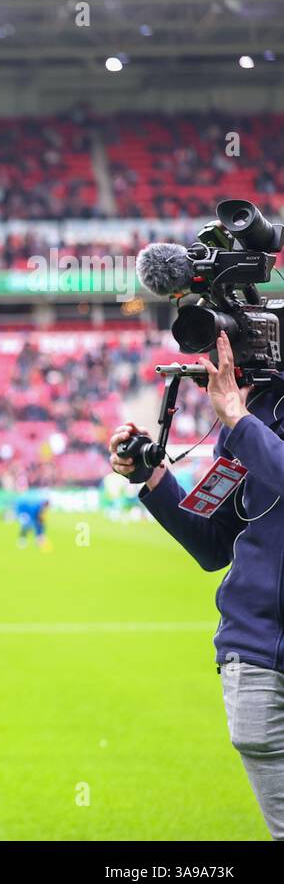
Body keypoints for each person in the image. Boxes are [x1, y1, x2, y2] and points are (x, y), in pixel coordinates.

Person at [110, 330, 284, 840]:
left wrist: (239, 419)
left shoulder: (245, 422)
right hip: (253, 655)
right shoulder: (255, 420)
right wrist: (153, 476)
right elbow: (212, 542)